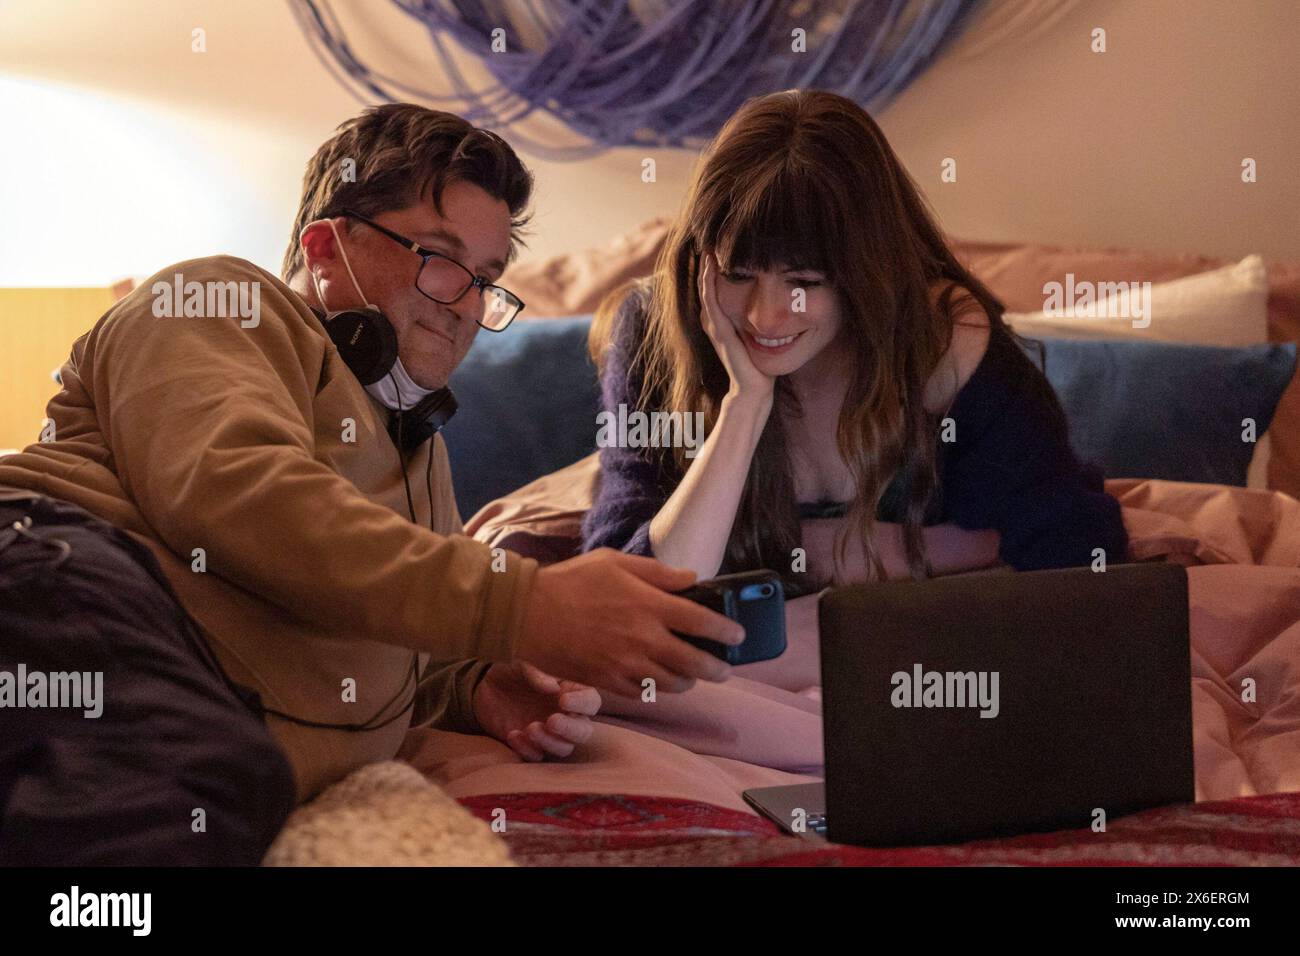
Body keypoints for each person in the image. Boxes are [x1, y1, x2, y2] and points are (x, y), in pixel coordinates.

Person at [0, 104, 742, 865]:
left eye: (487, 279)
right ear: (325, 248)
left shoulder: (422, 454)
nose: (468, 303)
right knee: (180, 790)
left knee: (211, 785)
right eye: (443, 259)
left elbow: (385, 625)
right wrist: (520, 604)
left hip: (202, 717)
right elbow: (239, 493)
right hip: (58, 574)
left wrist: (475, 683)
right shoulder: (219, 301)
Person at [582, 89, 1128, 689]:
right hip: (729, 685)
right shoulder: (658, 326)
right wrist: (744, 407)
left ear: (865, 274)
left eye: (804, 281)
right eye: (737, 274)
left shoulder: (939, 340)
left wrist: (838, 550)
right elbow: (628, 599)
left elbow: (1078, 548)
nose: (766, 317)